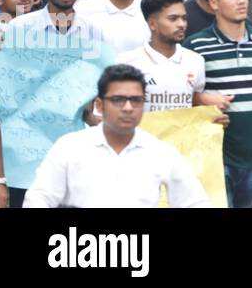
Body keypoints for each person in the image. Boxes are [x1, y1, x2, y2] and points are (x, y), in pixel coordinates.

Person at [23, 64, 209, 209]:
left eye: (136, 100)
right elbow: (39, 198)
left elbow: (195, 202)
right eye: (118, 100)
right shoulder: (70, 147)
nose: (128, 108)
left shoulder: (160, 152)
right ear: (100, 104)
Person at [184, 0, 252, 208]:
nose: (241, 0)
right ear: (214, 3)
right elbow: (183, 94)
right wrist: (203, 99)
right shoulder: (195, 45)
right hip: (214, 149)